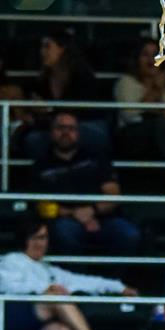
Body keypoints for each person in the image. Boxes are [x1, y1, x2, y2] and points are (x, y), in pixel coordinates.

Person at [0, 219, 130, 330]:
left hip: (32, 323)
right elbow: (8, 287)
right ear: (24, 239)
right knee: (55, 296)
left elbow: (81, 281)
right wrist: (46, 289)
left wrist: (119, 287)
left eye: (44, 238)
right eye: (35, 237)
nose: (40, 243)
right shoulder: (12, 260)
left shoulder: (47, 268)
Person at [32, 111, 140, 258]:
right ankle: (77, 280)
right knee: (63, 232)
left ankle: (113, 279)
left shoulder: (97, 158)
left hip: (104, 219)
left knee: (129, 234)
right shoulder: (41, 165)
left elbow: (114, 195)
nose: (65, 133)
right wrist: (75, 214)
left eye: (71, 128)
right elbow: (41, 205)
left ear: (79, 132)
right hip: (64, 221)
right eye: (60, 128)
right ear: (51, 132)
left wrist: (91, 211)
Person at [110, 42, 165, 164]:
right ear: (136, 59)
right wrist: (155, 90)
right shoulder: (126, 83)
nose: (151, 60)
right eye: (145, 55)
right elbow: (130, 116)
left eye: (156, 54)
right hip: (132, 136)